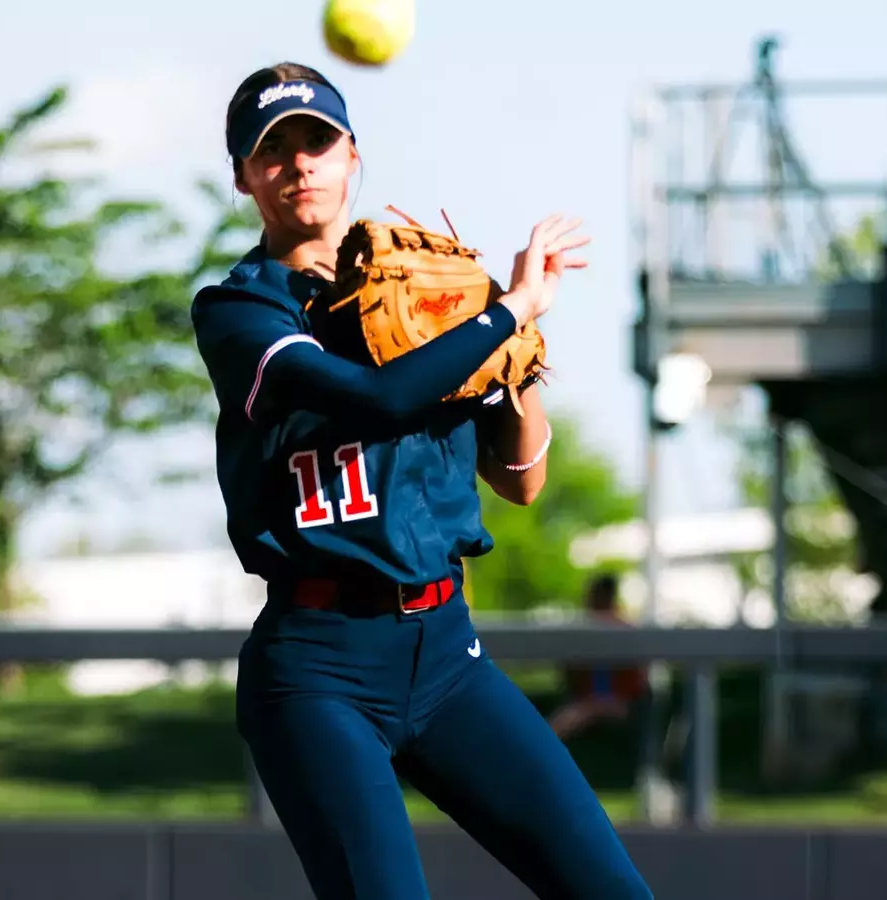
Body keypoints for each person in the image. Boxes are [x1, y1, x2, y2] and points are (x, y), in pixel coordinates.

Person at [190, 62, 653, 900]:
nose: (300, 164)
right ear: (243, 177)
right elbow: (378, 397)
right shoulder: (240, 311)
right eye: (274, 149)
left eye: (317, 142)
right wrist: (509, 311)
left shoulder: (428, 292)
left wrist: (512, 368)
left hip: (447, 654)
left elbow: (521, 480)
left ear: (351, 156)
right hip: (317, 667)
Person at [548, 573, 650, 741]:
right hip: (590, 701)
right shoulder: (585, 631)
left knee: (568, 719)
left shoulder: (624, 629)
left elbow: (639, 681)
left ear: (603, 596)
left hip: (619, 704)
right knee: (574, 715)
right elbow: (569, 673)